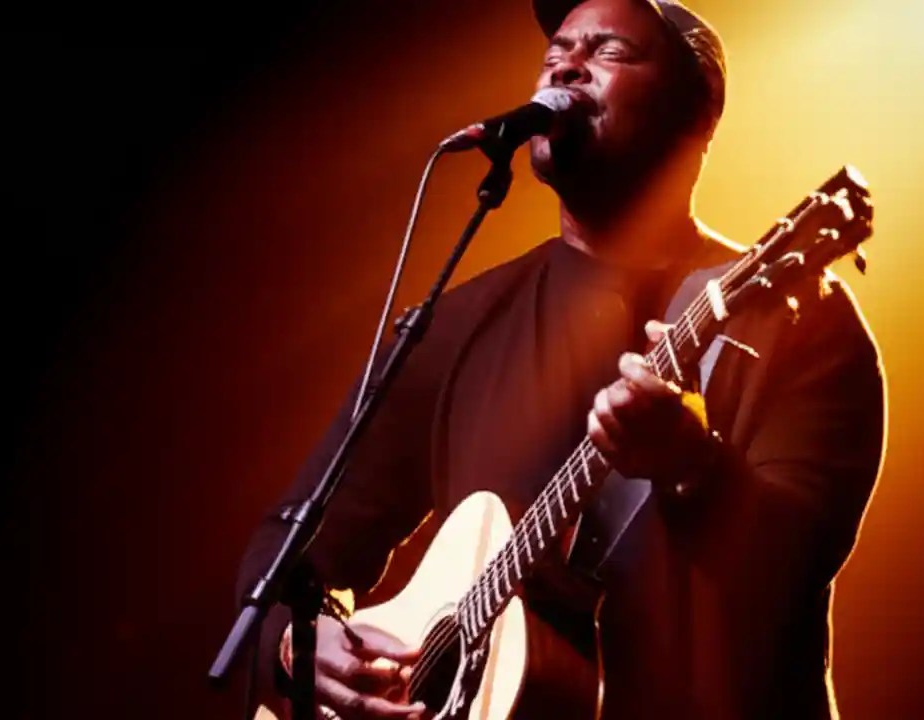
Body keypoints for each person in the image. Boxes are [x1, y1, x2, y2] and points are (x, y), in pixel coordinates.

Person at [236, 0, 886, 718]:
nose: (566, 63)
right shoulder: (458, 322)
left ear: (696, 112)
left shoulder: (796, 315)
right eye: (557, 51)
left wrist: (689, 466)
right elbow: (293, 543)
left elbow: (796, 572)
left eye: (609, 51)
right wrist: (298, 645)